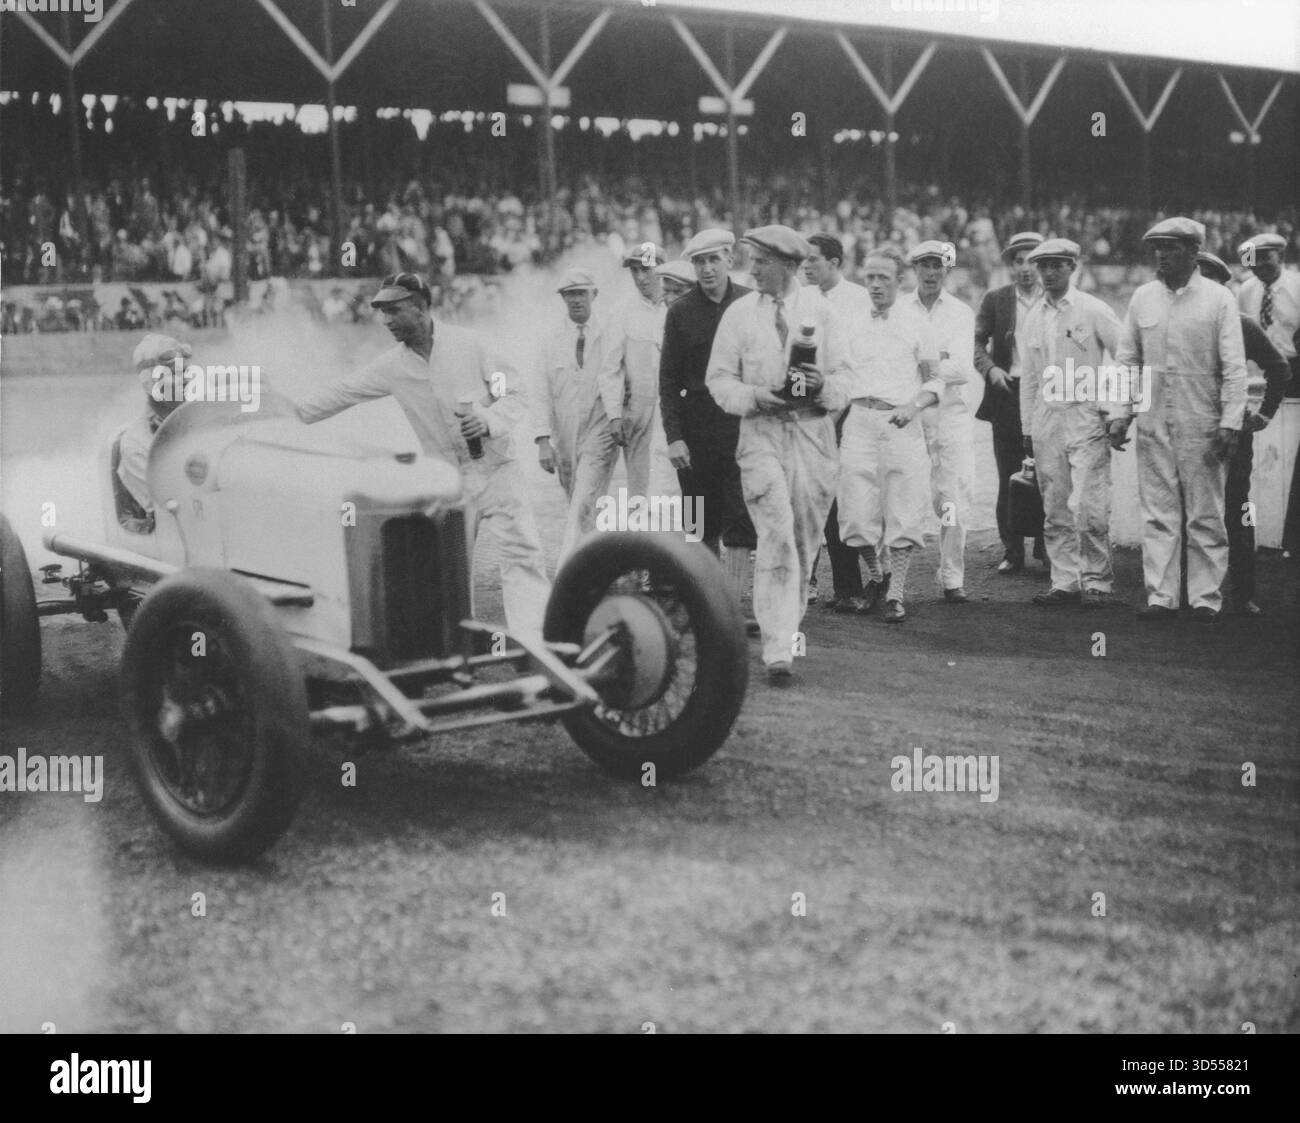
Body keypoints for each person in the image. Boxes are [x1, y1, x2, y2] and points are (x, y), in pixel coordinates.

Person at [294, 272, 551, 640]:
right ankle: (456, 650)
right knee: (448, 568)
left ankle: (536, 646)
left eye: (394, 310)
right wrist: (286, 415)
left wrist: (488, 420)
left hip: (496, 468)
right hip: (448, 481)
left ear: (421, 307)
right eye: (381, 312)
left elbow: (515, 393)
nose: (386, 321)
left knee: (521, 555)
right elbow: (342, 393)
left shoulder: (470, 345)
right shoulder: (392, 366)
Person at [706, 225, 858, 681]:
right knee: (775, 530)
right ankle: (777, 650)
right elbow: (718, 381)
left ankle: (787, 627)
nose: (752, 269)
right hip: (761, 434)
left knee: (804, 541)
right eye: (751, 260)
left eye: (762, 262)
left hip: (812, 435)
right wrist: (754, 396)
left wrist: (823, 387)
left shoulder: (820, 311)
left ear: (790, 267)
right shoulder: (738, 315)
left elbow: (847, 377)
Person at [1110, 218, 1247, 622]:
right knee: (1158, 512)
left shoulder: (1219, 299)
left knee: (1205, 512)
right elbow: (1126, 361)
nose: (1162, 255)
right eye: (1158, 247)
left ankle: (1205, 597)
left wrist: (1230, 422)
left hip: (1202, 422)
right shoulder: (1143, 298)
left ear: (1193, 252)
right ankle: (1161, 596)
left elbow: (1235, 367)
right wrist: (1120, 414)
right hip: (1153, 422)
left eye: (1171, 247)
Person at [836, 247, 943, 623]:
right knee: (855, 512)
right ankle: (878, 576)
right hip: (858, 422)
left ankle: (896, 592)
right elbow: (839, 375)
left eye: (884, 277)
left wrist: (912, 407)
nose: (876, 284)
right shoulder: (851, 321)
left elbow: (936, 380)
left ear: (901, 280)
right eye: (870, 277)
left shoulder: (918, 324)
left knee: (902, 508)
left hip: (901, 424)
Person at [1018, 239, 1124, 608]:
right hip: (1048, 414)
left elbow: (1126, 355)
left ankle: (1097, 580)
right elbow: (1029, 378)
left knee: (1090, 504)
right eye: (1043, 265)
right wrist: (1027, 429)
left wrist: (1117, 411)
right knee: (1055, 503)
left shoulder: (1092, 309)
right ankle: (1064, 580)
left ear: (1072, 267)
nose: (1048, 272)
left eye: (1056, 265)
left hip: (1085, 412)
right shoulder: (1033, 316)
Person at [658, 229, 757, 615]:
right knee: (699, 519)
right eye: (699, 261)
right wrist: (674, 438)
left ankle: (731, 606)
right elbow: (667, 381)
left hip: (741, 425)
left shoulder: (751, 304)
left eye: (714, 259)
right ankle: (707, 603)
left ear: (729, 259)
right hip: (696, 425)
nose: (707, 268)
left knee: (739, 515)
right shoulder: (680, 312)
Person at [1197, 251, 1292, 615]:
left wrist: (1263, 415)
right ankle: (1187, 590)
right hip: (1188, 430)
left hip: (1235, 433)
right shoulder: (1175, 326)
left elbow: (1279, 369)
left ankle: (1243, 592)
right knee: (1187, 510)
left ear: (1223, 288)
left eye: (1209, 284)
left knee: (1240, 509)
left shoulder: (1243, 325)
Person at [533, 268, 624, 561]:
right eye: (569, 294)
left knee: (584, 501)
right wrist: (542, 440)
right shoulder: (549, 340)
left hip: (599, 429)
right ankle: (598, 565)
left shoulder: (611, 331)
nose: (575, 300)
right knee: (580, 503)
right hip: (564, 436)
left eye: (581, 293)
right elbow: (540, 392)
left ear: (594, 295)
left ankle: (567, 573)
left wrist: (617, 417)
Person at [905, 241, 979, 603]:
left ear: (947, 270)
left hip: (951, 415)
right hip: (909, 412)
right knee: (904, 494)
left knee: (952, 497)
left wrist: (922, 363)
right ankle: (890, 581)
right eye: (924, 266)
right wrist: (937, 362)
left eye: (938, 266)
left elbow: (962, 369)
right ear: (914, 269)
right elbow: (895, 362)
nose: (931, 273)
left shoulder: (961, 312)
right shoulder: (901, 309)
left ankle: (952, 576)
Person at [804, 232, 871, 612]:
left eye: (814, 260)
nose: (807, 266)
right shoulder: (801, 299)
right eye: (805, 260)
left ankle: (850, 587)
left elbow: (859, 362)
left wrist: (838, 412)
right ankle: (806, 581)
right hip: (809, 409)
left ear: (834, 262)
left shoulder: (858, 300)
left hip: (850, 411)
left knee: (841, 500)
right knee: (805, 494)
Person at [974, 230, 1047, 573]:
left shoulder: (1055, 299)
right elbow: (975, 344)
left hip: (1046, 393)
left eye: (1034, 261)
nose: (1026, 269)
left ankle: (1047, 548)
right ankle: (1012, 550)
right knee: (1008, 473)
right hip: (1007, 391)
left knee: (1048, 470)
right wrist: (990, 370)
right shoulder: (996, 299)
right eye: (1019, 261)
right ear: (1010, 265)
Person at [1236, 232, 1300, 557]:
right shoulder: (1245, 291)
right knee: (1260, 457)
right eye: (1253, 258)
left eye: (1267, 257)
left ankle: (1288, 538)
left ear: (1281, 255)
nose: (1260, 265)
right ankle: (1259, 535)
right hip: (1258, 377)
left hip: (1295, 371)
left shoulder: (1298, 287)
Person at [598, 243, 669, 503]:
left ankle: (696, 543)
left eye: (647, 269)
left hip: (676, 410)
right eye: (635, 271)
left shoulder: (679, 306)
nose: (640, 278)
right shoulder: (621, 311)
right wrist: (615, 415)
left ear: (662, 269)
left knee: (685, 485)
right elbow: (610, 368)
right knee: (641, 487)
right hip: (638, 411)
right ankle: (643, 542)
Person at [117, 333, 193, 528]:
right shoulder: (135, 444)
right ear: (152, 383)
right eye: (175, 374)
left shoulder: (204, 416)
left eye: (185, 371)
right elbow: (173, 508)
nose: (186, 379)